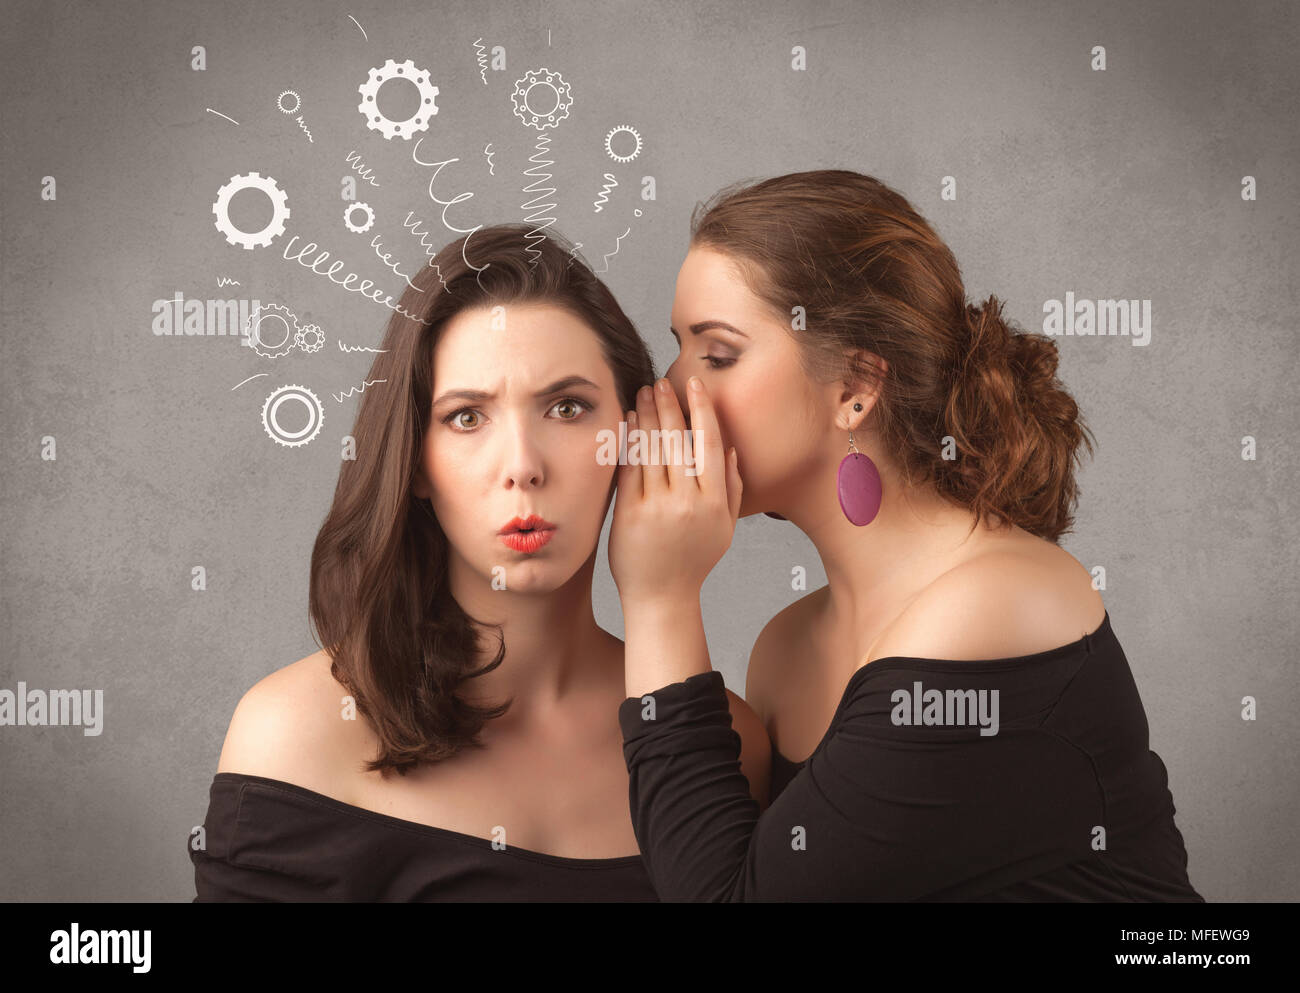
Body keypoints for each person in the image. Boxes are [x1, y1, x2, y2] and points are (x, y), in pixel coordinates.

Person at [608, 170, 1204, 901]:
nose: (671, 390)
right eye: (680, 348)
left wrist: (659, 597)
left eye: (718, 353)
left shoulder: (996, 603)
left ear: (856, 385)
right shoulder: (785, 650)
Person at [189, 223, 768, 901]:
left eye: (567, 406)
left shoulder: (723, 742)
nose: (522, 465)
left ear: (636, 439)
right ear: (416, 464)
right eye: (467, 416)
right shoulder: (294, 733)